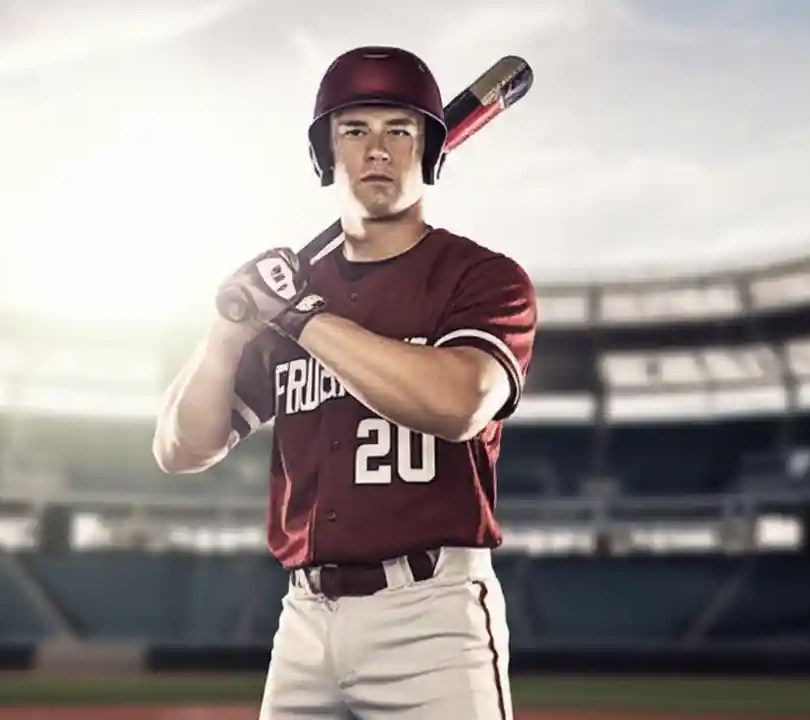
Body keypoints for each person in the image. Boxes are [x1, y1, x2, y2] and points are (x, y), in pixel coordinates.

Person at [152, 45, 537, 720]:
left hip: (432, 618)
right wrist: (226, 331)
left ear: (430, 149)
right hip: (304, 618)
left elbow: (458, 403)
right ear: (326, 153)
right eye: (354, 130)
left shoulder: (481, 278)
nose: (377, 150)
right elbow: (180, 449)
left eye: (400, 130)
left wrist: (300, 316)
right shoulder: (284, 303)